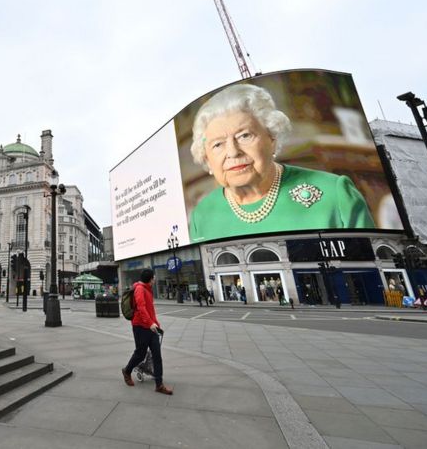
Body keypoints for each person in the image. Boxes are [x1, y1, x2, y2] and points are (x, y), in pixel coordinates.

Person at [187, 84, 375, 243]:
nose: (233, 152)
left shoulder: (335, 192)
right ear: (207, 158)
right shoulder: (201, 216)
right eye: (218, 144)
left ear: (272, 138)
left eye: (245, 136)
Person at [121, 269, 173, 395]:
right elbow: (141, 307)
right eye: (154, 278)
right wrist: (150, 323)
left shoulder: (147, 289)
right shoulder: (139, 289)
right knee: (140, 353)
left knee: (157, 356)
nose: (155, 280)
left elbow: (150, 310)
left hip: (151, 328)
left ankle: (159, 385)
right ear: (150, 279)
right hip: (140, 326)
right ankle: (127, 371)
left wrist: (157, 325)